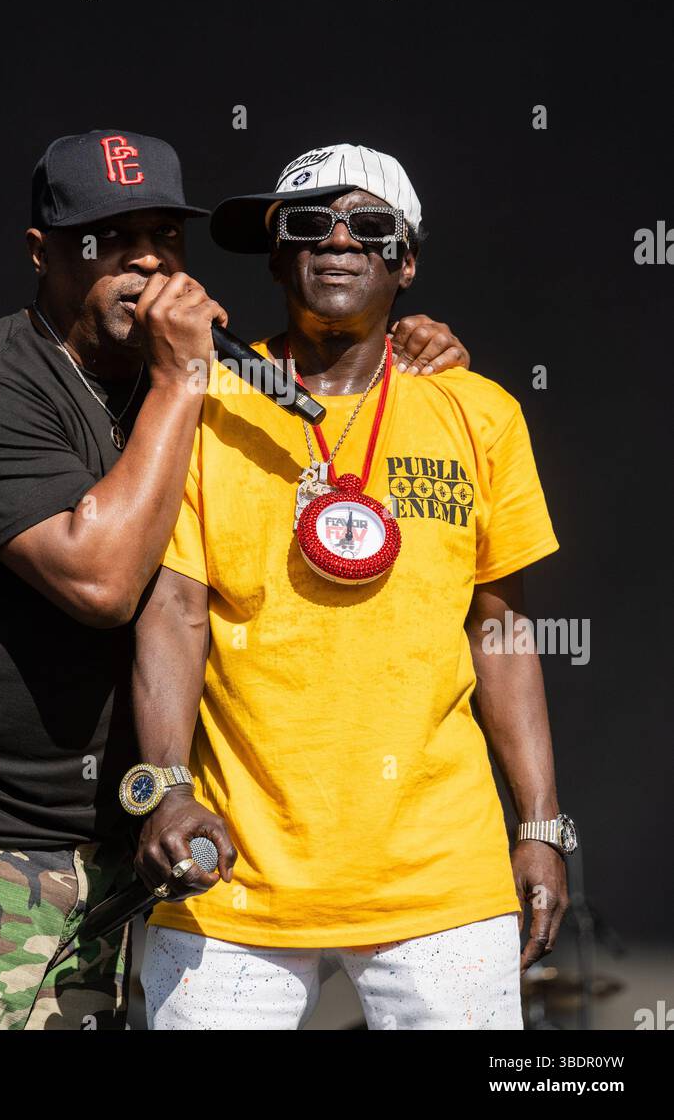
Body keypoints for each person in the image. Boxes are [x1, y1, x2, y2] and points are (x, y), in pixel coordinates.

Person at [0, 130, 466, 1031]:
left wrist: (408, 347)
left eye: (164, 234)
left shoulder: (208, 385)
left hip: (108, 860)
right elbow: (104, 583)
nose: (147, 260)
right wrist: (182, 375)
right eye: (107, 238)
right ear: (42, 253)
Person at [131, 143, 575, 1031]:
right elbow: (174, 610)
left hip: (440, 875)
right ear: (275, 253)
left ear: (404, 262)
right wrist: (167, 786)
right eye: (308, 224)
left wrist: (540, 826)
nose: (338, 242)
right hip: (231, 871)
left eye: (370, 227)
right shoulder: (204, 399)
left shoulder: (479, 412)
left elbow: (500, 632)